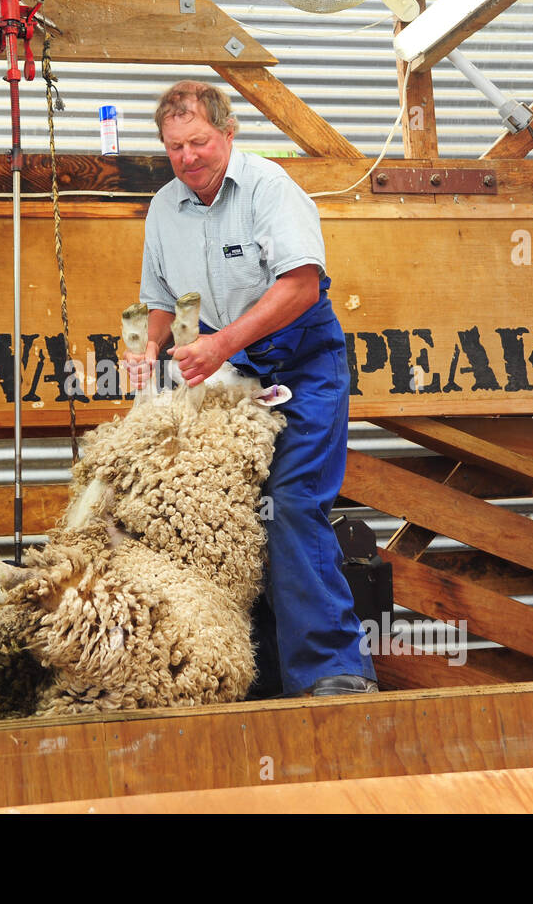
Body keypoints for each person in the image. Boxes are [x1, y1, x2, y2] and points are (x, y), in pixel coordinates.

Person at [125, 80, 377, 697]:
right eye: (175, 147)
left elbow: (299, 286)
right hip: (231, 373)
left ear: (227, 133)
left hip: (301, 362)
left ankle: (334, 672)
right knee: (223, 511)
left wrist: (219, 345)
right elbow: (157, 304)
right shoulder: (163, 208)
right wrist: (140, 360)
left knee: (291, 503)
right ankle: (249, 677)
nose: (189, 157)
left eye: (199, 142)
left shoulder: (270, 189)